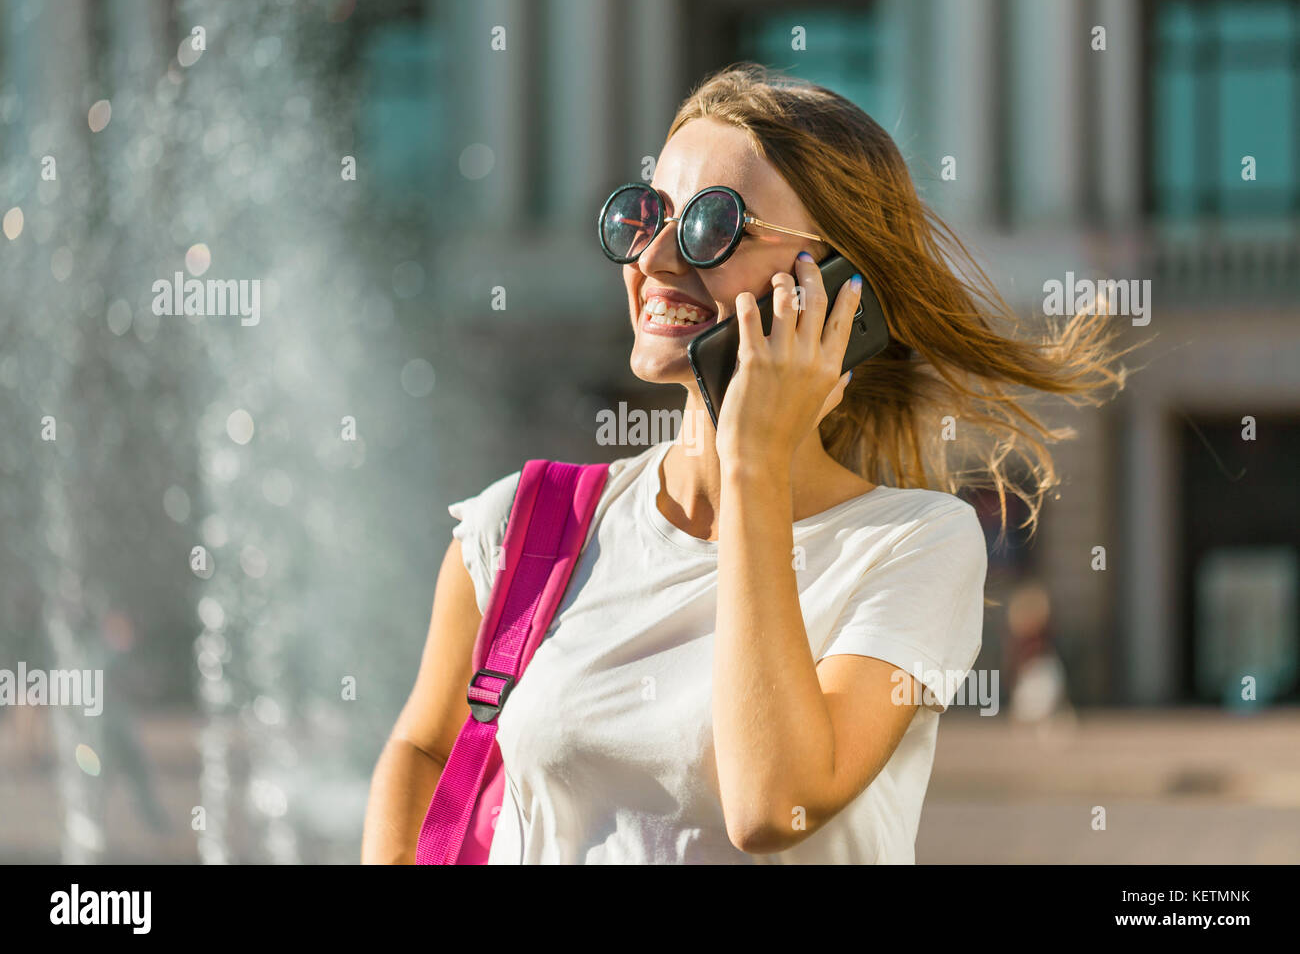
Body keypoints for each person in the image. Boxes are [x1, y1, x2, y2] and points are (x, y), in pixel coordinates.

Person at [362, 63, 1135, 864]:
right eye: (645, 215)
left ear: (839, 290)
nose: (655, 257)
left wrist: (754, 463)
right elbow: (425, 753)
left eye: (710, 225)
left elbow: (774, 805)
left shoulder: (916, 546)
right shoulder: (520, 523)